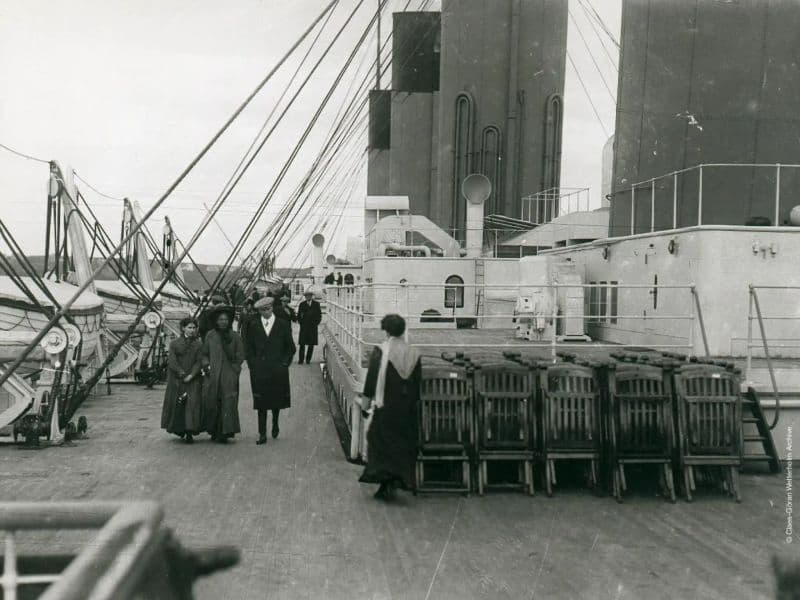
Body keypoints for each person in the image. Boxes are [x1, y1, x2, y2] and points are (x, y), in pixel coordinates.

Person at [359, 314, 421, 500]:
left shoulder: (381, 351)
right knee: (401, 444)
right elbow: (417, 383)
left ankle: (385, 481)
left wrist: (365, 404)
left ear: (386, 330)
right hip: (406, 408)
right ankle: (398, 479)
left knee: (378, 441)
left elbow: (371, 381)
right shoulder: (413, 353)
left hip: (385, 406)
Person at [244, 297, 296, 445]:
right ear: (259, 311)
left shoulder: (283, 325)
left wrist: (284, 363)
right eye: (262, 310)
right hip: (259, 370)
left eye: (268, 309)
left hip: (278, 369)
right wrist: (252, 364)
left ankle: (275, 422)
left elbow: (291, 348)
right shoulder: (253, 325)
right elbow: (248, 347)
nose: (266, 312)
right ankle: (262, 433)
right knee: (261, 402)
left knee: (276, 400)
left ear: (272, 308)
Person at [201, 305, 245, 443]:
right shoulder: (210, 335)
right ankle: (214, 431)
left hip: (229, 375)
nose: (223, 322)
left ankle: (226, 432)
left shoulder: (235, 336)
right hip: (213, 374)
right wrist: (206, 365)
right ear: (216, 321)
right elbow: (204, 354)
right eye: (220, 319)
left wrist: (235, 370)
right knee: (213, 401)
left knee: (228, 403)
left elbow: (240, 355)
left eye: (225, 319)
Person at [161, 317, 203, 443]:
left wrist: (192, 374)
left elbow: (199, 361)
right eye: (189, 327)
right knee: (179, 404)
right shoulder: (174, 343)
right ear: (183, 328)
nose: (192, 330)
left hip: (193, 378)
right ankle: (181, 429)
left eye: (194, 328)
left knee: (192, 404)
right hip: (177, 379)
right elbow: (172, 361)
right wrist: (182, 374)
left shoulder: (199, 344)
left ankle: (190, 431)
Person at [296, 290, 322, 365]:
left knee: (311, 344)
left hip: (313, 327)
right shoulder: (302, 304)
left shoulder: (316, 304)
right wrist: (301, 323)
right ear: (305, 297)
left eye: (309, 296)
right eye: (306, 296)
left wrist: (316, 323)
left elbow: (319, 315)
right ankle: (301, 360)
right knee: (302, 344)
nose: (308, 297)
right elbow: (299, 315)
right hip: (304, 327)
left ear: (311, 296)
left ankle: (308, 360)